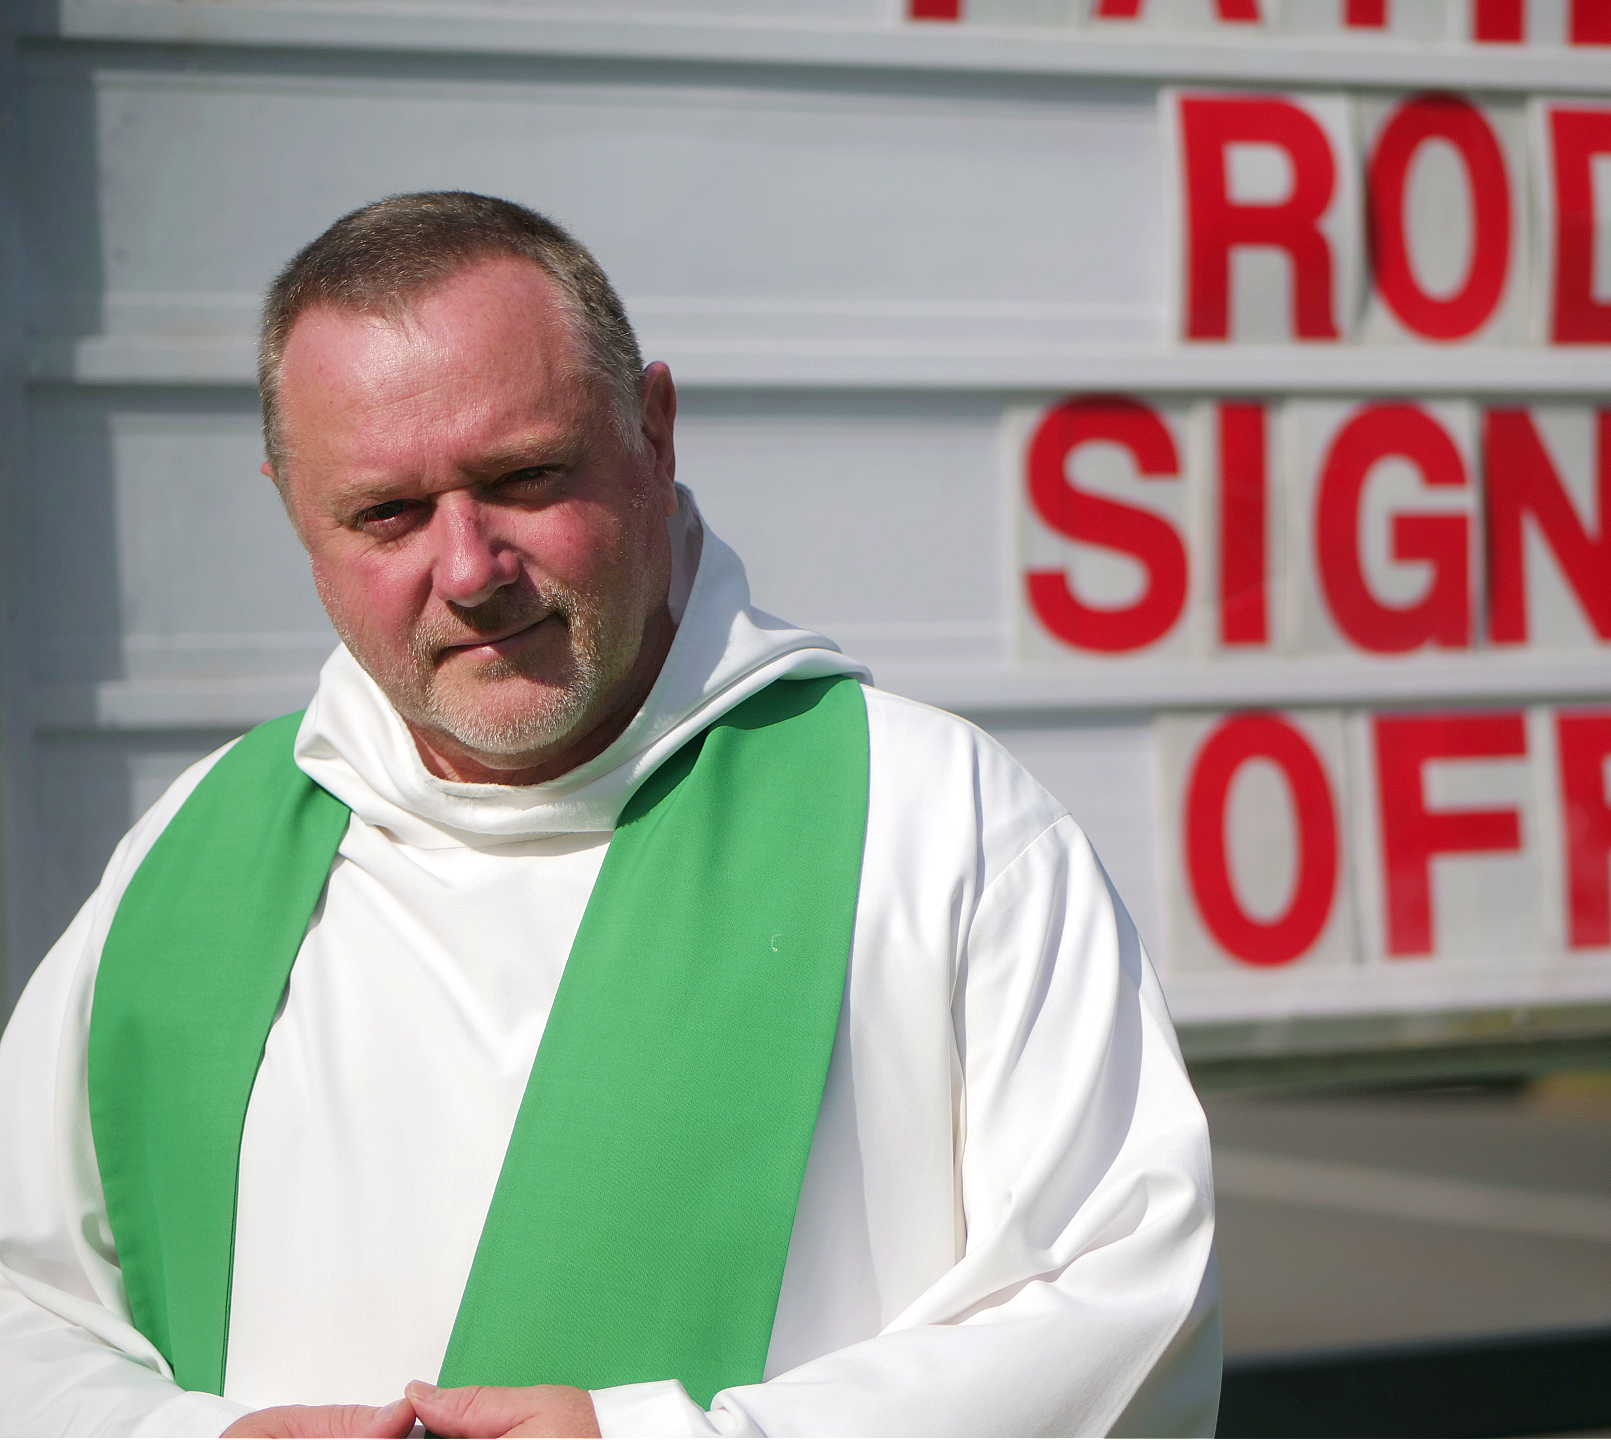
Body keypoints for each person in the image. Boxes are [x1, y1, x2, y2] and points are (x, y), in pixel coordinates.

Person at [0, 192, 1219, 1439]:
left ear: (655, 429)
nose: (469, 569)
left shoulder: (939, 827)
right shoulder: (192, 854)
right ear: (293, 511)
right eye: (387, 514)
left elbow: (1120, 1304)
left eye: (523, 478)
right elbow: (23, 1304)